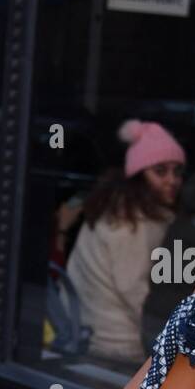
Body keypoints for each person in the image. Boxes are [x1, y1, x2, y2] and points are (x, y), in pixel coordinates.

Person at [65, 120, 185, 363]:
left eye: (177, 171)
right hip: (120, 348)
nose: (172, 180)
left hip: (87, 334)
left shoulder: (114, 208)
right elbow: (139, 294)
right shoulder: (133, 224)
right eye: (160, 171)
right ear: (139, 175)